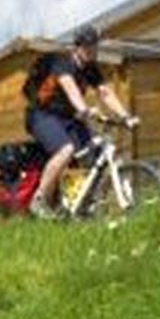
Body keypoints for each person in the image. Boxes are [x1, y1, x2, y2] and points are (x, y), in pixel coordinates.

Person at [22, 22, 136, 213]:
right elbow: (71, 89)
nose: (93, 49)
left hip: (68, 117)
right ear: (78, 47)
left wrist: (125, 116)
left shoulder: (90, 68)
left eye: (95, 45)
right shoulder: (63, 63)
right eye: (89, 46)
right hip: (42, 115)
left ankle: (80, 202)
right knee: (66, 150)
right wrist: (86, 110)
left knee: (96, 152)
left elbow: (105, 92)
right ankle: (40, 199)